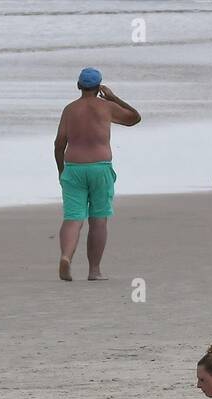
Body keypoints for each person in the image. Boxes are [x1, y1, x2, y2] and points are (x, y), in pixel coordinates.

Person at [53, 67, 141, 281]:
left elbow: (59, 143)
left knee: (73, 219)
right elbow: (135, 118)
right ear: (99, 86)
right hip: (100, 167)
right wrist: (114, 97)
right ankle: (94, 271)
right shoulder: (107, 107)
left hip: (74, 167)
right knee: (99, 220)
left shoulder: (70, 109)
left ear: (79, 86)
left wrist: (61, 170)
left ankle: (66, 257)